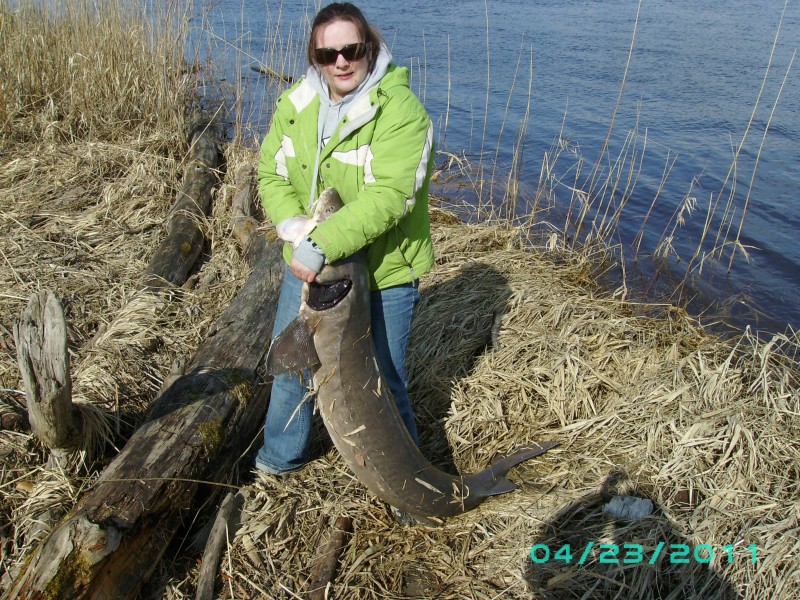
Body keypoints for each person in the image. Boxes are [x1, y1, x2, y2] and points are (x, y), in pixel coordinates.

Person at [255, 2, 435, 478]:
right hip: (314, 269)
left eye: (351, 49)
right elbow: (270, 173)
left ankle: (409, 487)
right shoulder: (296, 105)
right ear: (314, 57)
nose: (340, 61)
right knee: (294, 368)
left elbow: (392, 197)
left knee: (385, 380)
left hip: (386, 271)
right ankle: (279, 460)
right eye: (327, 53)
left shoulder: (401, 111)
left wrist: (322, 242)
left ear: (368, 48)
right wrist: (293, 228)